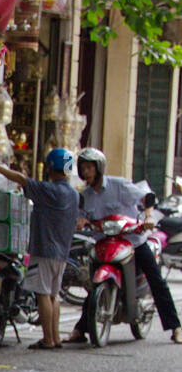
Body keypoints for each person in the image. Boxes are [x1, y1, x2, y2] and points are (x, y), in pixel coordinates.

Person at [64, 147, 182, 345]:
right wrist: (81, 221)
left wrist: (149, 216)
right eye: (83, 168)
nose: (86, 172)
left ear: (99, 168)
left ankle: (176, 327)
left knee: (157, 281)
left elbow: (147, 197)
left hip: (134, 241)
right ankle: (80, 329)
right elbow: (82, 215)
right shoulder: (86, 195)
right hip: (105, 243)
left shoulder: (119, 185)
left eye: (89, 168)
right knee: (93, 285)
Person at [0, 149, 80, 350]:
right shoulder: (74, 194)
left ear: (50, 167)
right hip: (62, 252)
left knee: (42, 294)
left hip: (44, 250)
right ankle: (56, 337)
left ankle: (48, 339)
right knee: (53, 295)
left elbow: (21, 179)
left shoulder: (49, 190)